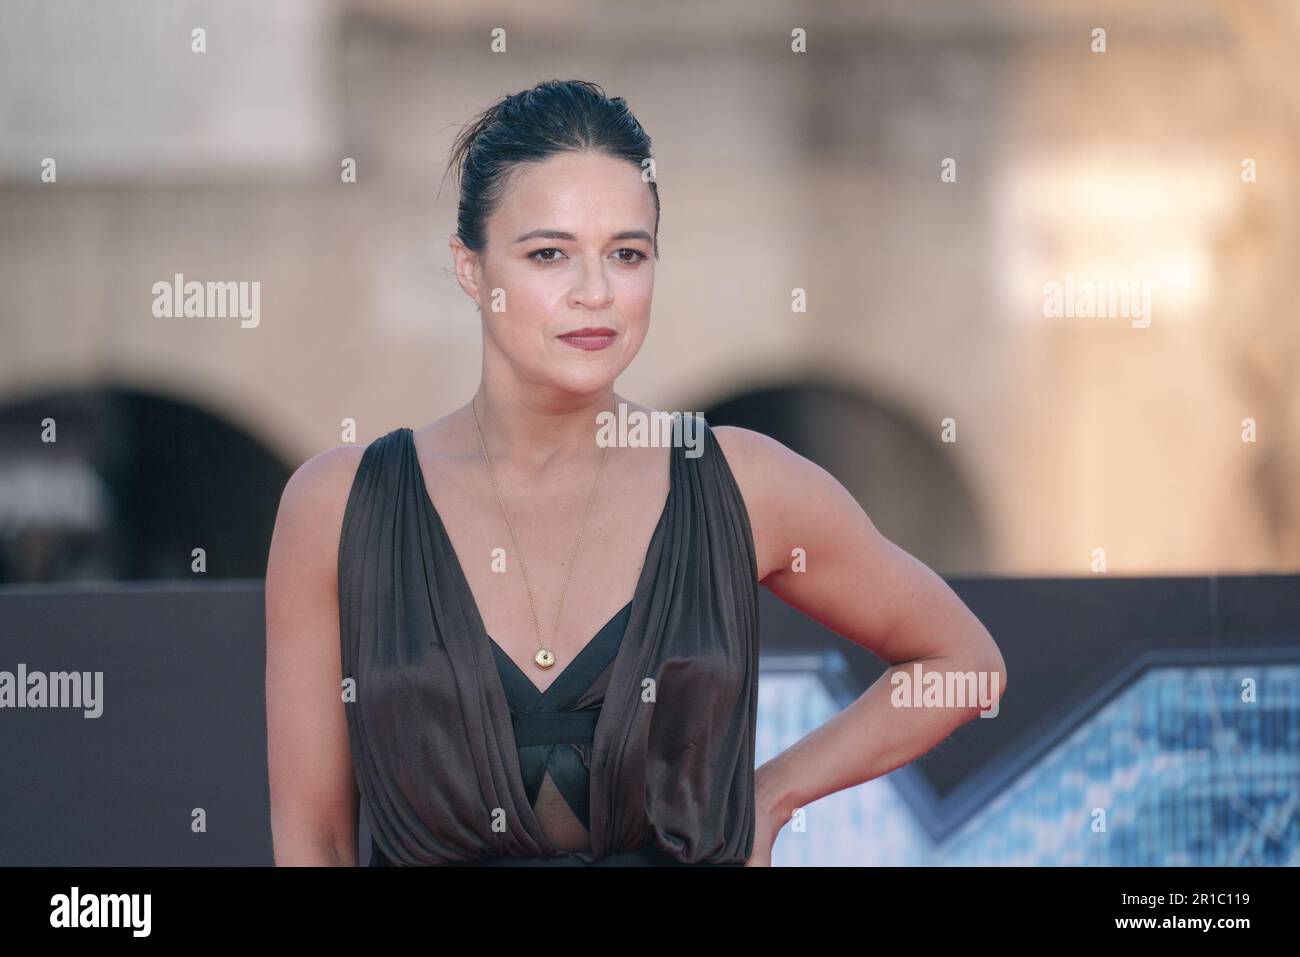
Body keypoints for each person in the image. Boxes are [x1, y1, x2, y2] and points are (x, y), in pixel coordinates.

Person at [264, 78, 1007, 866]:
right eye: (549, 253)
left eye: (627, 253)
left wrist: (771, 792)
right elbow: (316, 835)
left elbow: (964, 664)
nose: (595, 293)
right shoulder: (339, 507)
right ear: (471, 268)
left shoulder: (742, 483)